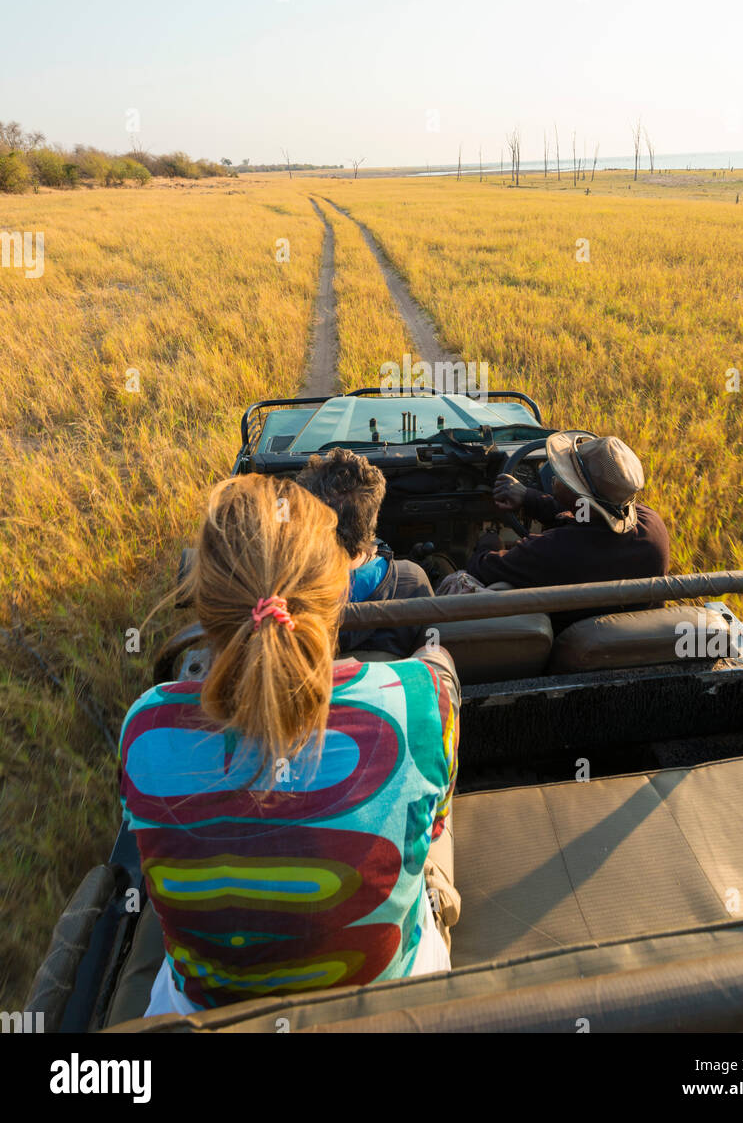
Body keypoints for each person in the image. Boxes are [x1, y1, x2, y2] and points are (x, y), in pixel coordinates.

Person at [118, 474, 459, 1015]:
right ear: (338, 593)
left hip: (209, 1011)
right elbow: (433, 823)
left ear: (204, 598)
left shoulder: (146, 725)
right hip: (388, 1002)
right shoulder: (422, 699)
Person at [466, 432, 670, 631]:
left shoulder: (551, 551)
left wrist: (489, 541)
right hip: (627, 639)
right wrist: (530, 498)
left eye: (565, 473)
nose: (556, 474)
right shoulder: (652, 524)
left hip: (560, 650)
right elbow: (587, 517)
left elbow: (481, 568)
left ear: (578, 495)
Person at [297, 446, 434, 658]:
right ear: (374, 515)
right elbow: (432, 649)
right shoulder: (412, 581)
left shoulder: (283, 593)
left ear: (308, 518)